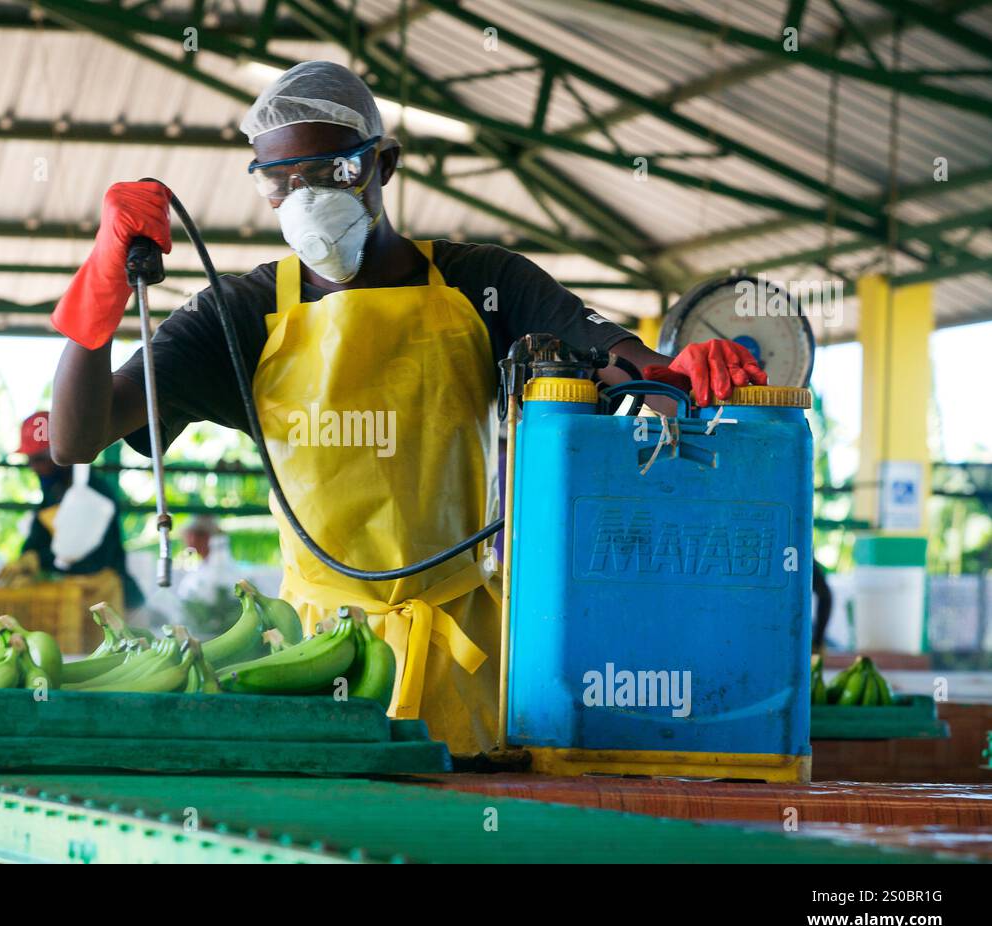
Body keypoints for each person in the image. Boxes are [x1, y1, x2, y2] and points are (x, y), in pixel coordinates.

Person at [48, 61, 766, 754]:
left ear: (383, 164)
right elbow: (78, 438)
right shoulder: (239, 315)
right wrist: (100, 291)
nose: (307, 196)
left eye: (335, 171)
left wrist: (677, 370)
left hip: (460, 653)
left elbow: (612, 358)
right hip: (311, 659)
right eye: (280, 181)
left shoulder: (486, 285)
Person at [0, 411, 144, 614]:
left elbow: (91, 558)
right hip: (77, 606)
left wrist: (42, 560)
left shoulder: (94, 495)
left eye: (39, 459)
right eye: (30, 460)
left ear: (61, 454)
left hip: (115, 603)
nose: (34, 468)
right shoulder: (52, 496)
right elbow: (36, 540)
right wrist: (26, 560)